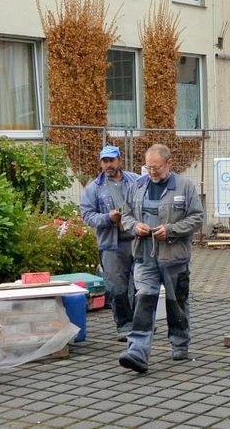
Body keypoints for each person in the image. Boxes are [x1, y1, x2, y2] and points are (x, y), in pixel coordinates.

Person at [117, 144, 203, 374]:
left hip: (174, 257)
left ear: (169, 164)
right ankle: (137, 352)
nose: (152, 172)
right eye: (148, 167)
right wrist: (135, 226)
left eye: (156, 167)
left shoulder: (184, 187)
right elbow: (125, 215)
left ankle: (179, 343)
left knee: (176, 303)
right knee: (144, 299)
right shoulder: (137, 186)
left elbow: (197, 218)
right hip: (144, 255)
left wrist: (172, 229)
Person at [79, 145, 139, 341]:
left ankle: (140, 324)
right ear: (100, 163)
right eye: (104, 161)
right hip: (111, 244)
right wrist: (107, 218)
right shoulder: (93, 188)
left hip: (138, 240)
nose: (108, 165)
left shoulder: (136, 181)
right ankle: (124, 326)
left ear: (119, 160)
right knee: (117, 288)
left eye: (111, 160)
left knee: (141, 286)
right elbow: (87, 215)